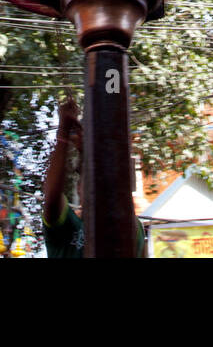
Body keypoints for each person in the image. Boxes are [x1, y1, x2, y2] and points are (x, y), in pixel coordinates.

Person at [42, 97, 146, 257]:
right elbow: (51, 199)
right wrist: (63, 132)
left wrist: (90, 150)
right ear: (79, 189)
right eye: (91, 181)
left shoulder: (129, 229)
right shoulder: (68, 228)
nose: (99, 188)